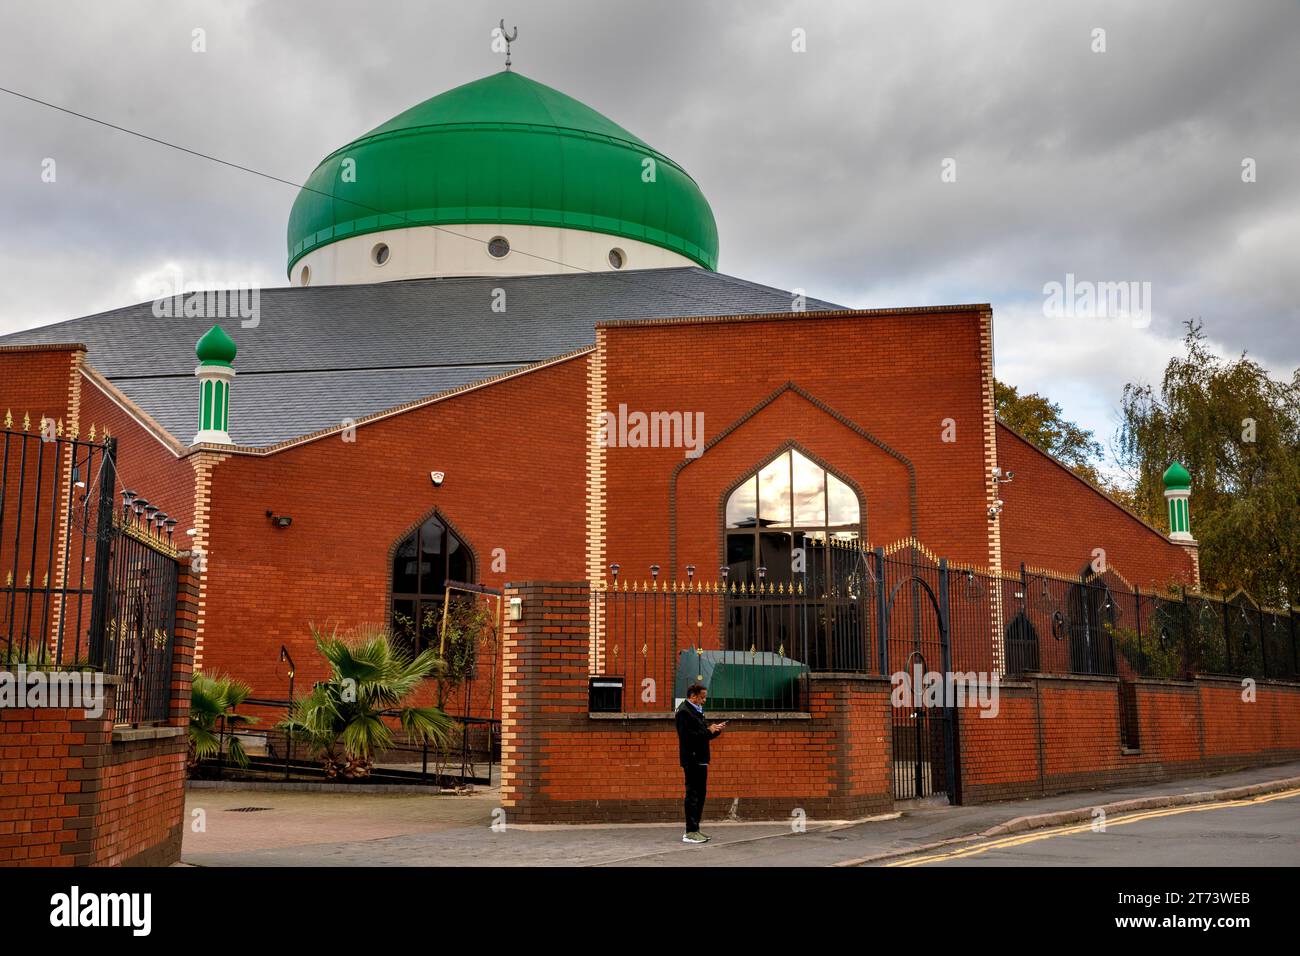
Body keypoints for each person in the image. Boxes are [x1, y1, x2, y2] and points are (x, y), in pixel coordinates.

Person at [675, 683, 726, 843]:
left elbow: (703, 735)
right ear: (693, 696)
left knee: (700, 795)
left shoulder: (696, 711)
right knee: (693, 795)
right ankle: (690, 831)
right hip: (692, 759)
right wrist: (707, 730)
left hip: (701, 759)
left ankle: (696, 828)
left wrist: (715, 730)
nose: (704, 700)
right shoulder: (684, 712)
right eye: (702, 697)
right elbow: (687, 738)